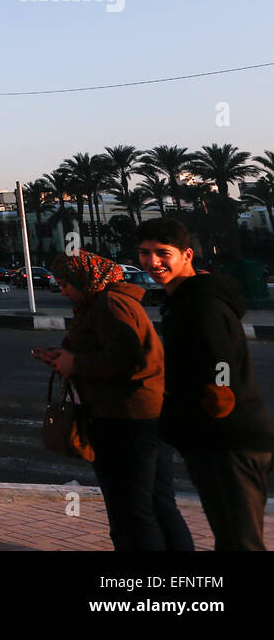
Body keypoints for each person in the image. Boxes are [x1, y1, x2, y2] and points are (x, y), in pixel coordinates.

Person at [39, 251, 192, 551]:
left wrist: (76, 364)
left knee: (132, 510)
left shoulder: (109, 304)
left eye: (66, 283)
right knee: (157, 503)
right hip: (141, 417)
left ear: (87, 278)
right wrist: (65, 359)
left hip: (126, 420)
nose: (63, 290)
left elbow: (132, 360)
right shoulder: (100, 304)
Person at [138, 218, 274, 550]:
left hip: (226, 440)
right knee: (232, 536)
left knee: (239, 541)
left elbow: (221, 361)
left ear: (187, 254)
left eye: (162, 253)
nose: (152, 262)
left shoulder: (201, 303)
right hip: (218, 438)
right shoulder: (185, 298)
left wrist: (218, 399)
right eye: (144, 253)